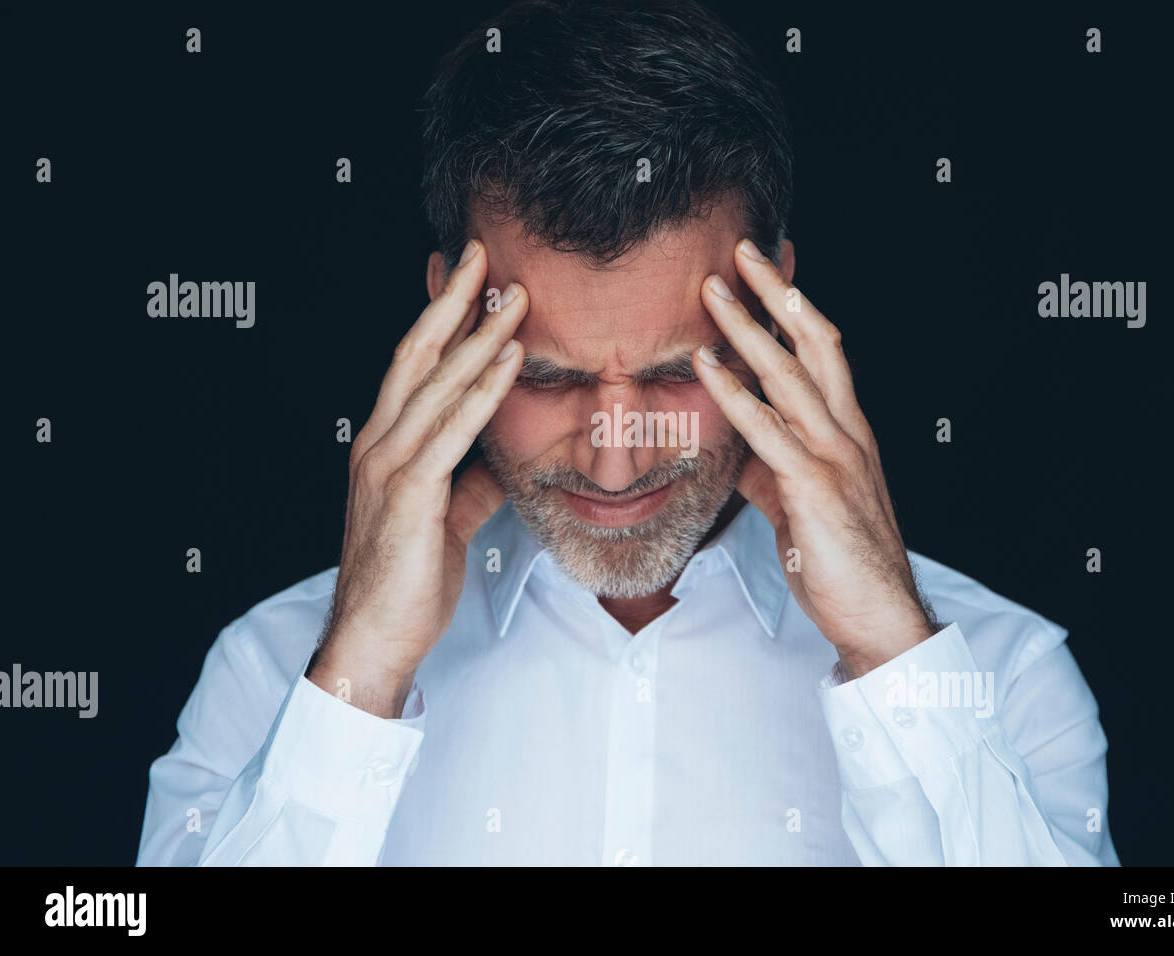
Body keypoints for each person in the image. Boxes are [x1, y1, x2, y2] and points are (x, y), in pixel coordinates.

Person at [138, 0, 1117, 866]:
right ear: (448, 314)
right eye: (547, 375)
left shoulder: (998, 671)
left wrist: (892, 655)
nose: (614, 454)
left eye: (674, 371)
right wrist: (360, 678)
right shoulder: (273, 673)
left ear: (775, 307)